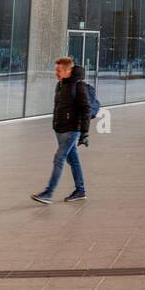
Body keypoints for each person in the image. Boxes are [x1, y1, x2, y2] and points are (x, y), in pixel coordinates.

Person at [32, 57, 91, 204]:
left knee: (59, 159)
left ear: (68, 70)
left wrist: (84, 132)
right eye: (56, 70)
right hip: (60, 129)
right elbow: (58, 106)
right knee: (74, 161)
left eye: (59, 70)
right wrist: (56, 124)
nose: (56, 73)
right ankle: (80, 190)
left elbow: (86, 109)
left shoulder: (78, 86)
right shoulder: (60, 85)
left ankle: (48, 193)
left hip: (72, 130)